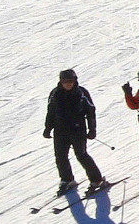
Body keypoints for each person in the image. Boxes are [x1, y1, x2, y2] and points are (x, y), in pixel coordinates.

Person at [44, 68, 105, 197]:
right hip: (60, 130)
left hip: (77, 130)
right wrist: (48, 128)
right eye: (65, 81)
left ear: (75, 80)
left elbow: (90, 112)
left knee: (81, 155)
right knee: (60, 157)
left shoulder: (81, 93)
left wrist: (92, 129)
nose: (68, 84)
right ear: (61, 81)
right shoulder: (55, 93)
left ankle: (96, 179)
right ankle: (67, 179)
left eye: (70, 81)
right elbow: (50, 112)